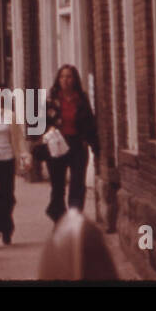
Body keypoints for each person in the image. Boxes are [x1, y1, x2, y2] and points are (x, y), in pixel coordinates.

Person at [44, 64, 99, 222]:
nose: (65, 80)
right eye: (62, 77)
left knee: (77, 184)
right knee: (57, 186)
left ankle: (74, 219)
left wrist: (94, 145)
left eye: (69, 77)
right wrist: (49, 129)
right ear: (58, 79)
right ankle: (58, 218)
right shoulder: (51, 99)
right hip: (57, 145)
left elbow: (90, 122)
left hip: (77, 145)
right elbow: (40, 121)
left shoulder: (81, 99)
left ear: (74, 79)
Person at [0, 80, 30, 247]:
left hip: (7, 160)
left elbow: (19, 140)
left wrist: (25, 157)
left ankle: (6, 228)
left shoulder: (10, 116)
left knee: (7, 197)